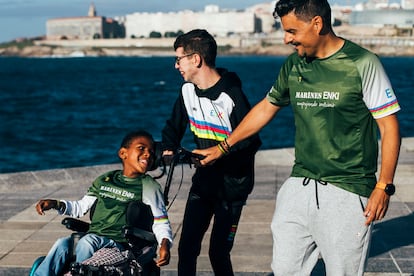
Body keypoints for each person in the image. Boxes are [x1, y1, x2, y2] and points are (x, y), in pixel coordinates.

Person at [194, 1, 401, 275]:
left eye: (292, 30)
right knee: (284, 269)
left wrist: (383, 186)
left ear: (317, 23)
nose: (286, 38)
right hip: (299, 186)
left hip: (348, 191)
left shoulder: (362, 63)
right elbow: (267, 106)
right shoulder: (294, 64)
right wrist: (223, 147)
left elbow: (389, 127)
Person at [161, 29, 261, 276]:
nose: (176, 66)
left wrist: (219, 154)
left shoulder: (231, 95)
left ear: (196, 59)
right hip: (204, 182)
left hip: (233, 186)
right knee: (187, 248)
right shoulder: (187, 91)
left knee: (218, 252)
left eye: (179, 59)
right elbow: (174, 127)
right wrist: (166, 149)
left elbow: (251, 141)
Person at [33, 130, 172, 276]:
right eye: (141, 148)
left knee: (87, 242)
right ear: (123, 153)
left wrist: (165, 243)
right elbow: (80, 207)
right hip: (95, 236)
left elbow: (160, 221)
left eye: (150, 151)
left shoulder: (149, 186)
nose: (147, 154)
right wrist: (56, 204)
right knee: (62, 244)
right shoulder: (106, 179)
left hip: (120, 243)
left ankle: (79, 273)